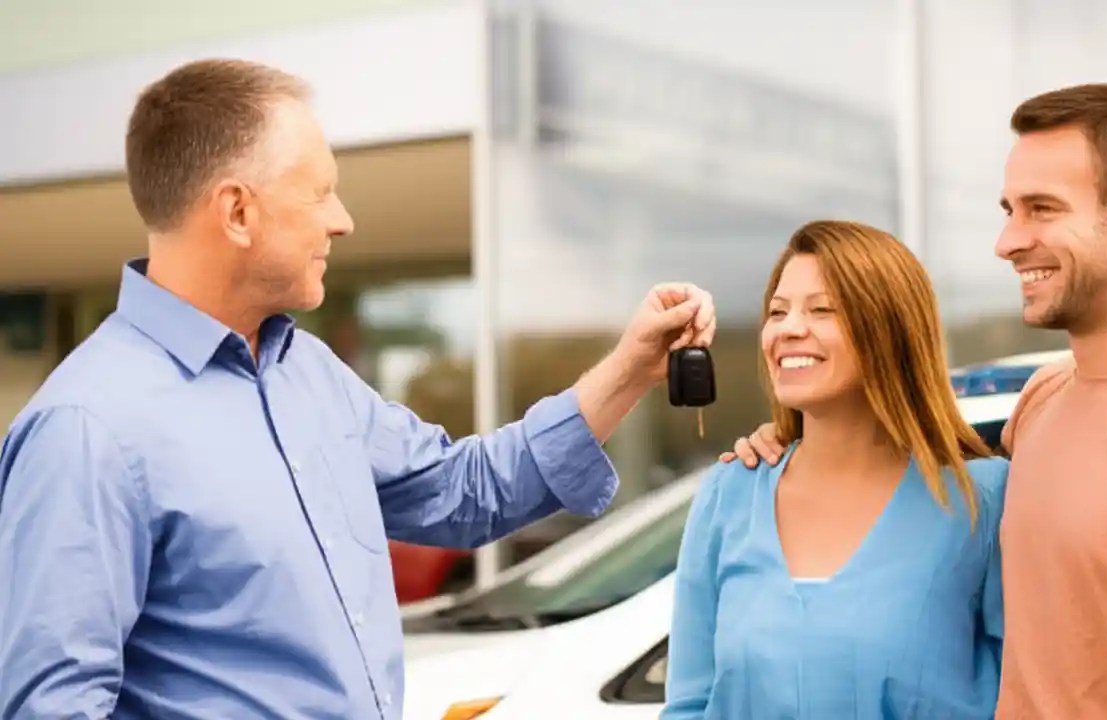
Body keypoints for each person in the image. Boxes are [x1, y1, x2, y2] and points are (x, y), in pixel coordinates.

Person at [0, 59, 717, 720]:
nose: (342, 219)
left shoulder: (307, 374)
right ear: (237, 212)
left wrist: (627, 371)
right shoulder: (85, 427)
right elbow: (53, 708)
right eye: (320, 193)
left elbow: (464, 492)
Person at [723, 83, 1107, 718]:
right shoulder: (1041, 403)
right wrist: (792, 452)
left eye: (1042, 208)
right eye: (1008, 209)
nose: (1007, 240)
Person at [662, 220, 1008, 719]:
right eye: (778, 312)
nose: (789, 328)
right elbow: (689, 706)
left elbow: (1030, 695)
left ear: (891, 332)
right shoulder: (728, 494)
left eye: (823, 310)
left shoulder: (984, 502)